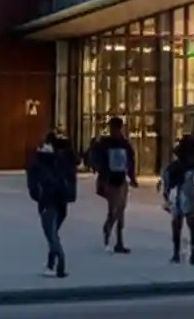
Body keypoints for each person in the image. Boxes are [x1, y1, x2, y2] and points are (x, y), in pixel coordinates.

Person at [27, 133, 78, 278]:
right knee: (53, 233)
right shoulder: (63, 160)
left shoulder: (39, 163)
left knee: (51, 235)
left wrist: (39, 195)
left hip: (48, 202)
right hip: (61, 201)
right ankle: (51, 264)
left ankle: (60, 263)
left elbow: (33, 186)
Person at [90, 117, 137, 254]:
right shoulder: (106, 144)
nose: (115, 130)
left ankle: (118, 239)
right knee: (115, 209)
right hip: (110, 180)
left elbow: (130, 162)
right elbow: (96, 158)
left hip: (120, 179)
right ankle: (109, 230)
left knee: (120, 209)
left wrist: (132, 177)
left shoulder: (123, 144)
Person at [160, 136, 194, 265]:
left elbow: (167, 184)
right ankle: (192, 249)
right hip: (189, 198)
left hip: (178, 197)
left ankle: (177, 252)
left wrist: (166, 195)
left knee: (177, 225)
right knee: (191, 227)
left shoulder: (174, 168)